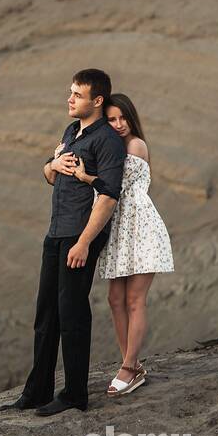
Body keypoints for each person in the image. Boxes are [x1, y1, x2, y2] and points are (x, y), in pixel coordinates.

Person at [1, 68, 125, 416]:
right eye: (70, 92)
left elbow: (109, 197)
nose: (69, 99)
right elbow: (51, 176)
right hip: (56, 231)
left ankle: (74, 394)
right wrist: (52, 163)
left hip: (79, 235)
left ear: (97, 101)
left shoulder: (107, 142)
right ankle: (38, 390)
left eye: (78, 95)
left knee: (72, 313)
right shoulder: (71, 131)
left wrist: (85, 242)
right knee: (46, 314)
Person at [71, 93, 174, 397]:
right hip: (119, 231)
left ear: (131, 118)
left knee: (134, 300)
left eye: (122, 118)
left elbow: (113, 186)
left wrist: (85, 175)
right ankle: (132, 364)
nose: (117, 125)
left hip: (141, 230)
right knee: (115, 299)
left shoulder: (135, 145)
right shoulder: (113, 147)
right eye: (111, 119)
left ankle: (129, 368)